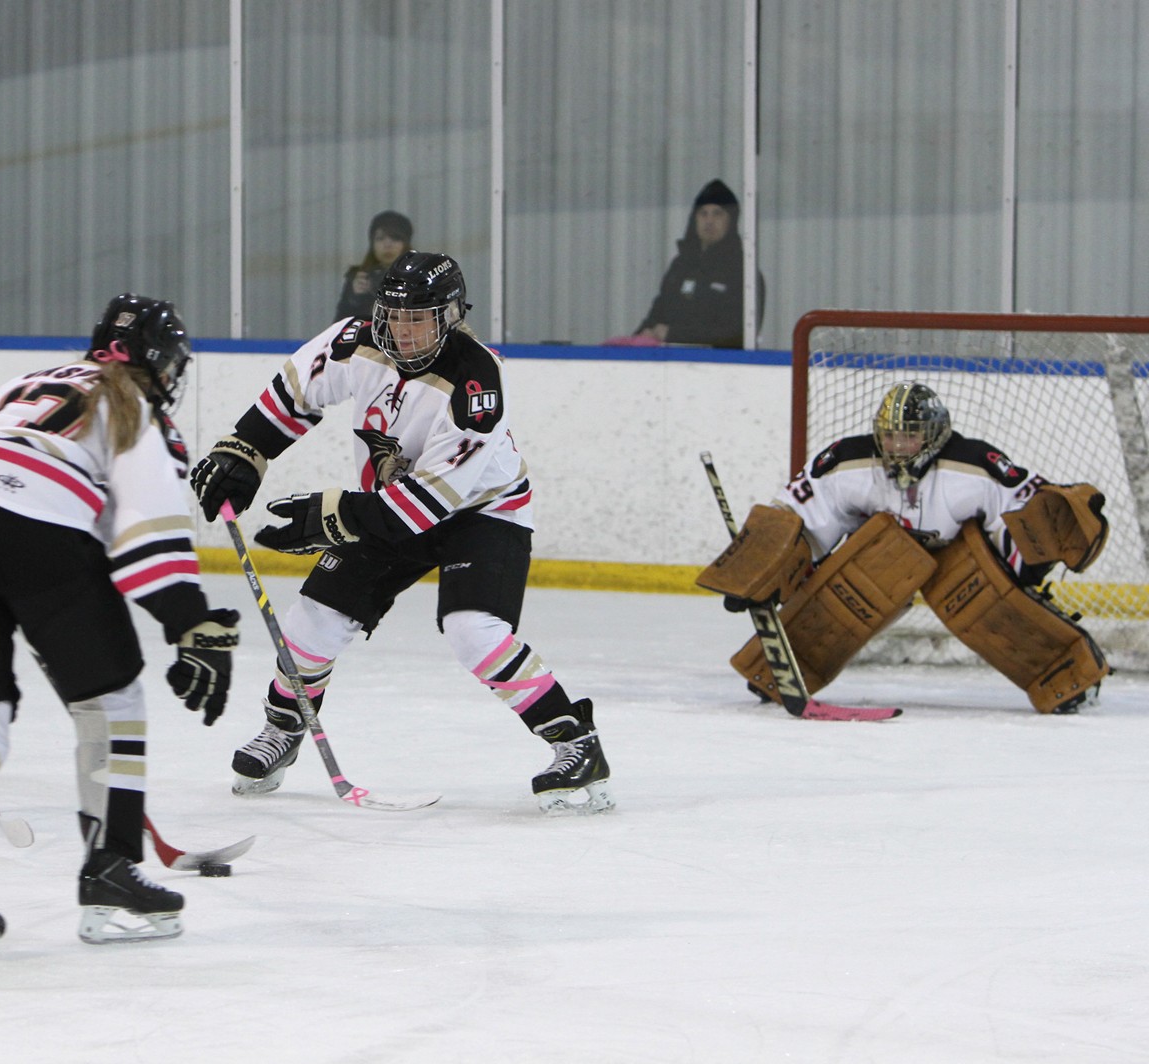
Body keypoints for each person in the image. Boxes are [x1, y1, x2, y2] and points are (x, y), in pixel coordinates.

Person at [191, 251, 611, 815]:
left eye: (420, 318)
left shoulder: (476, 381)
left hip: (481, 513)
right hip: (388, 505)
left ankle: (575, 742)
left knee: (474, 631)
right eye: (394, 315)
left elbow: (430, 503)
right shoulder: (354, 342)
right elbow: (293, 394)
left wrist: (329, 517)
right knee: (313, 618)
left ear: (451, 316)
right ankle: (285, 728)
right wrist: (244, 452)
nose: (404, 330)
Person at [0, 293, 240, 952]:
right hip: (34, 529)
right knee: (112, 698)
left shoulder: (27, 381)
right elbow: (149, 527)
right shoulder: (132, 404)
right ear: (159, 362)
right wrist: (188, 622)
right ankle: (111, 866)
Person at [696, 381, 1112, 714]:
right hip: (883, 553)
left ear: (934, 435)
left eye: (909, 437)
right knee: (873, 571)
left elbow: (1023, 507)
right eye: (890, 436)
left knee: (976, 594)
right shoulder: (846, 461)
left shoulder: (973, 464)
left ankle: (1065, 671)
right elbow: (800, 512)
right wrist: (766, 564)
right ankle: (782, 665)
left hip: (960, 556)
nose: (897, 446)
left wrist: (1037, 550)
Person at [632, 179, 764, 348]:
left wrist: (675, 334)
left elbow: (739, 333)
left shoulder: (744, 272)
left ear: (731, 221)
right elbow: (657, 314)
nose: (709, 221)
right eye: (703, 213)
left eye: (717, 213)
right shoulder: (680, 266)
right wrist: (640, 336)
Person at [335, 210, 412, 322]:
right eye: (380, 239)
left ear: (406, 243)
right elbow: (340, 327)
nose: (387, 245)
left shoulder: (418, 276)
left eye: (395, 238)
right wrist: (355, 299)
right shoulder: (361, 276)